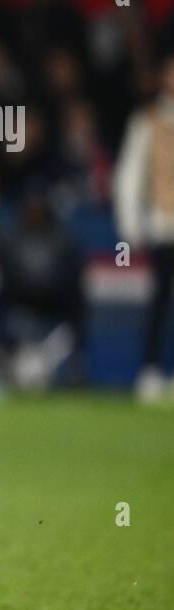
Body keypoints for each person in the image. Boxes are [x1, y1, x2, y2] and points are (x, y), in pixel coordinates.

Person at [113, 54, 174, 403]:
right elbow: (130, 175)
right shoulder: (147, 121)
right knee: (160, 300)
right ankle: (150, 371)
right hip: (164, 225)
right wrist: (130, 224)